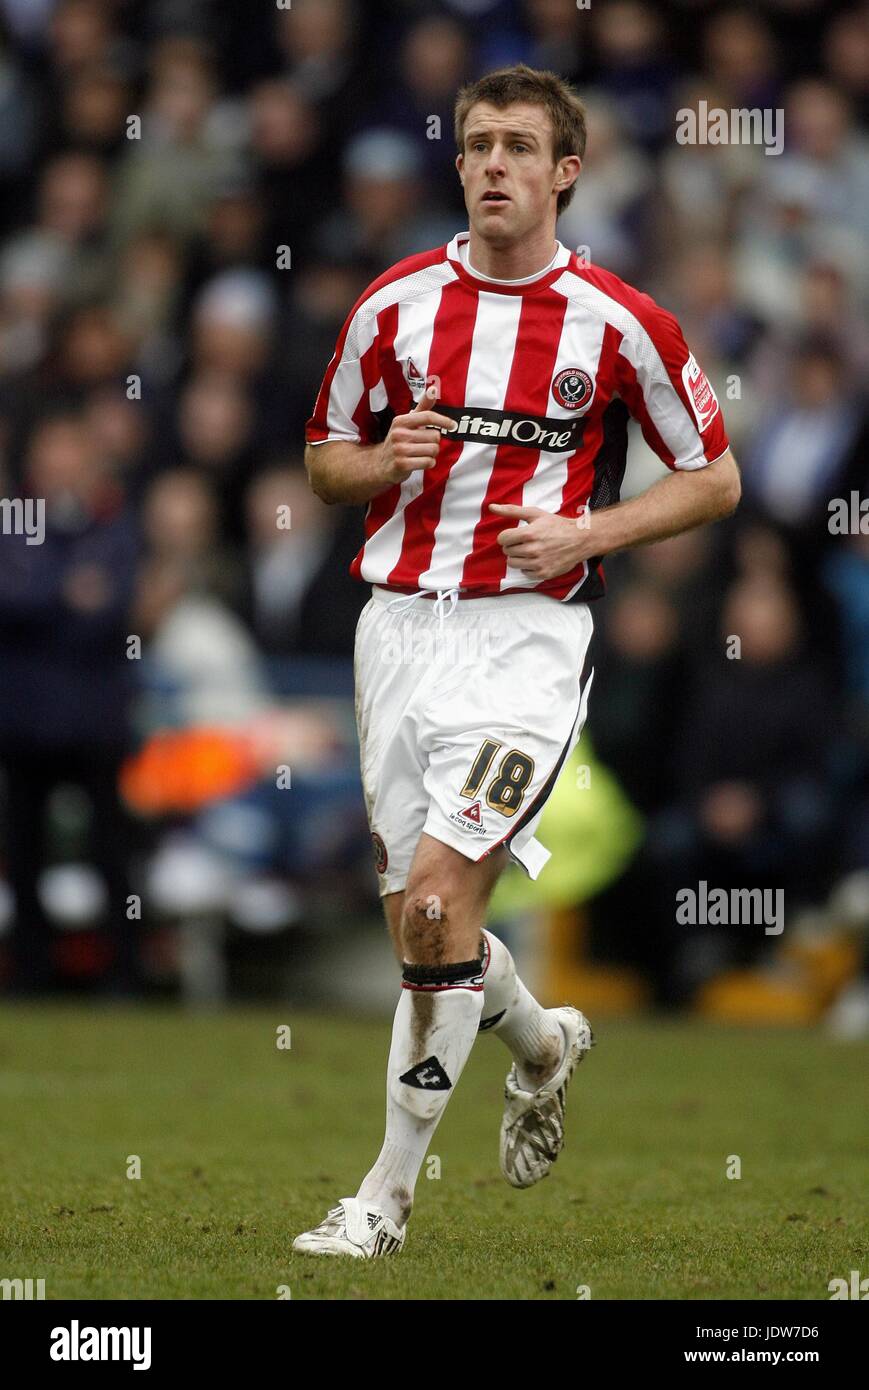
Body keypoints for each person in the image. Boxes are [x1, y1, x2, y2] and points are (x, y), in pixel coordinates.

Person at [296, 63, 741, 1258]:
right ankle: (542, 1045)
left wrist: (590, 530)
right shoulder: (391, 306)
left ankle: (380, 1204)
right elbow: (322, 455)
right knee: (423, 935)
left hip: (529, 643)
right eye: (476, 144)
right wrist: (381, 459)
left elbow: (715, 477)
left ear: (563, 171)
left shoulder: (620, 323)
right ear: (457, 167)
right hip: (398, 628)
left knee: (442, 900)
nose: (493, 163)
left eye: (516, 147)